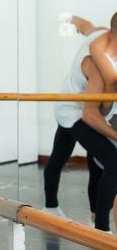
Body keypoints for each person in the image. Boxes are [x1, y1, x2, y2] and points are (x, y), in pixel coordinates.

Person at [41, 13, 117, 228]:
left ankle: (86, 213)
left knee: (73, 156)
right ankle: (101, 228)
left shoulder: (101, 33)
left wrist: (70, 17)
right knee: (112, 160)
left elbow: (85, 25)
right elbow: (90, 115)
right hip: (73, 112)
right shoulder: (96, 66)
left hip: (83, 107)